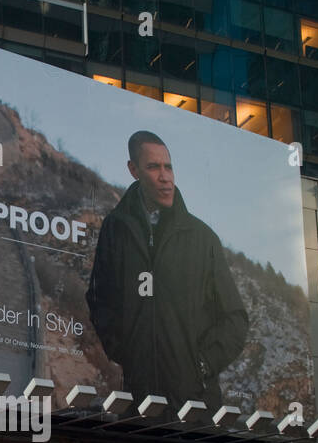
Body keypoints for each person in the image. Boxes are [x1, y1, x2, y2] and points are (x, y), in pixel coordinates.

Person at [85, 130, 248, 412]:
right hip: (138, 404)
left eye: (168, 167)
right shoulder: (115, 230)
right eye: (153, 167)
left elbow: (235, 318)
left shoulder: (202, 237)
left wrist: (201, 363)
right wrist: (127, 353)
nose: (165, 177)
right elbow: (101, 300)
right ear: (133, 170)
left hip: (197, 407)